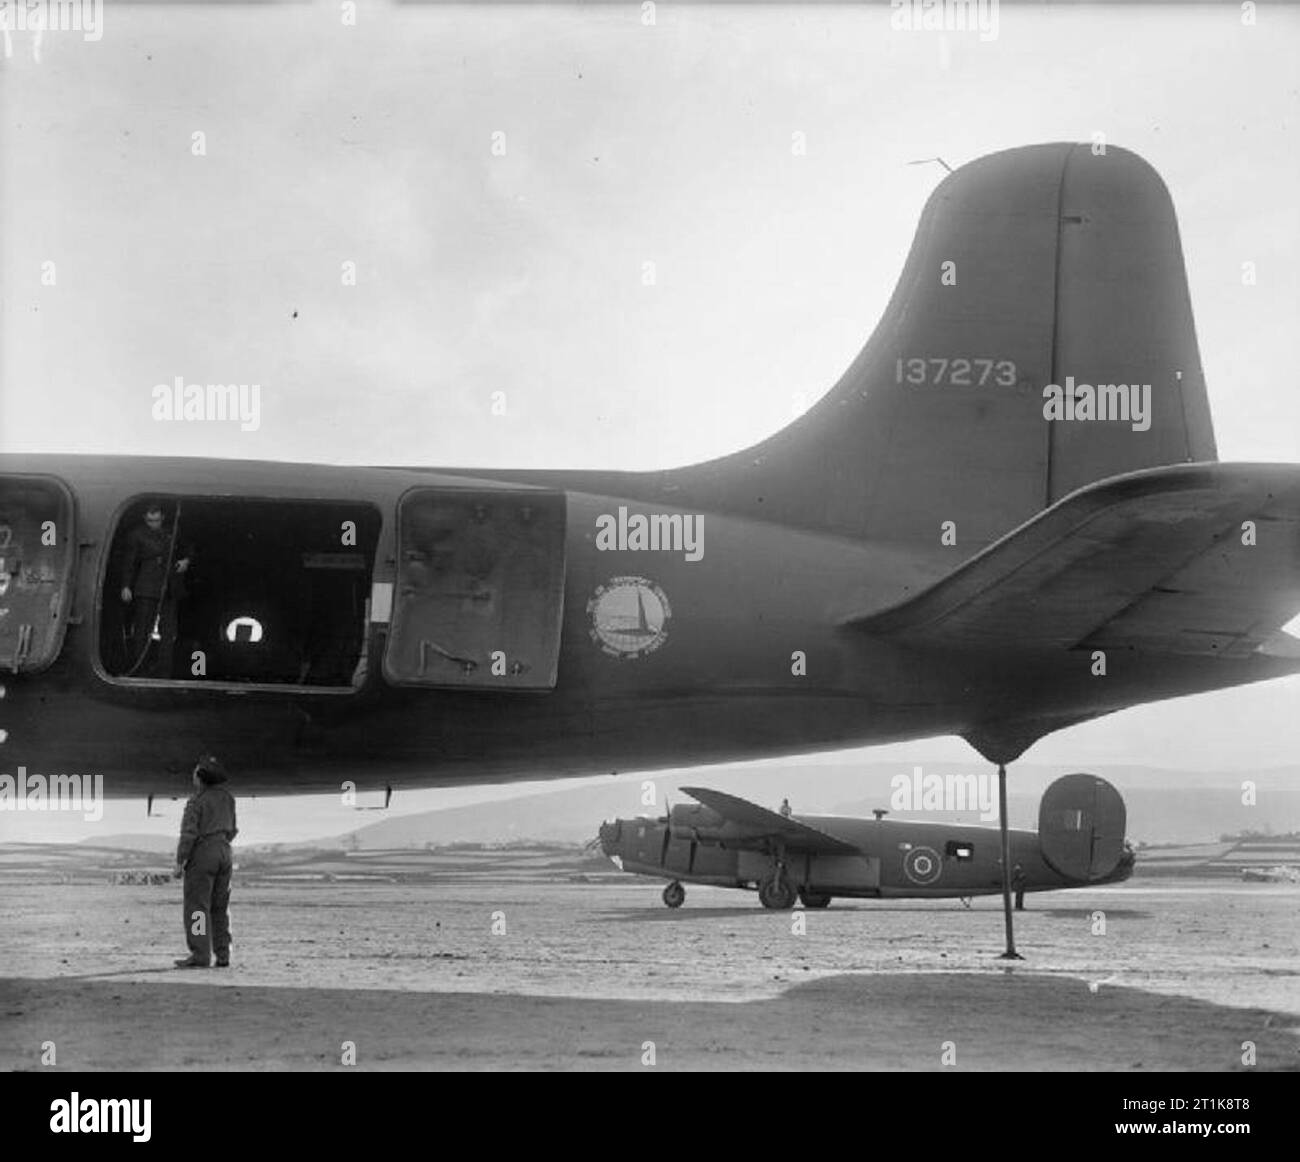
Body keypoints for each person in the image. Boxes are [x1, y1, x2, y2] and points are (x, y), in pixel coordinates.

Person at [173, 754, 238, 968]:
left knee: (197, 907)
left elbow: (189, 834)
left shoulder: (197, 801)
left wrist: (181, 860)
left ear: (200, 778)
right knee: (220, 906)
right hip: (225, 851)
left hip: (204, 853)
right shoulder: (228, 798)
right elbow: (234, 829)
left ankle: (200, 955)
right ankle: (223, 954)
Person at [119, 501, 190, 677]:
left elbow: (189, 547)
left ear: (162, 518)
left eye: (156, 520)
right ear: (145, 519)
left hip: (170, 586)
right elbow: (129, 562)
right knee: (142, 630)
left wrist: (186, 560)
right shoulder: (136, 535)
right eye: (150, 520)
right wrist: (126, 586)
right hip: (146, 586)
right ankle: (138, 669)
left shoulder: (172, 531)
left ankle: (165, 672)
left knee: (169, 632)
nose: (154, 524)